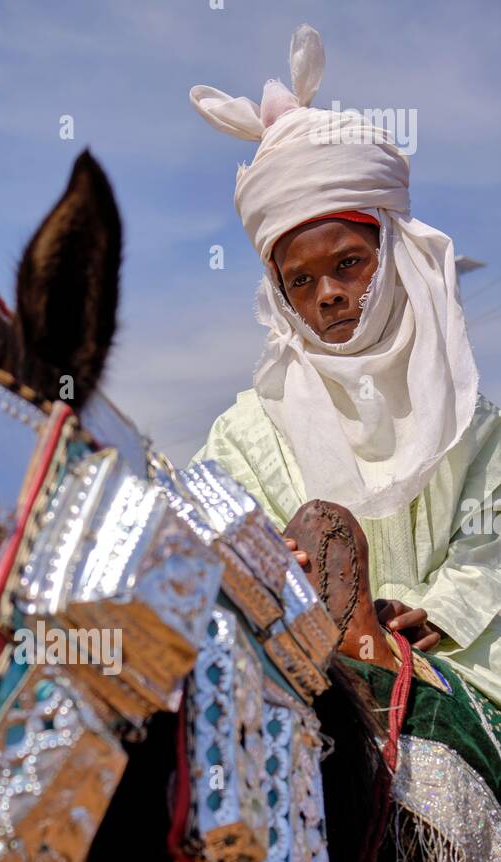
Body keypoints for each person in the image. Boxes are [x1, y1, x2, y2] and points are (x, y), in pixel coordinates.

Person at [189, 25, 501, 708]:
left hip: (464, 669)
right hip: (303, 690)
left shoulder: (473, 423)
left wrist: (441, 614)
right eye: (299, 282)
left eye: (348, 265)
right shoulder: (243, 436)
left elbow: (493, 541)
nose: (326, 293)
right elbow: (210, 545)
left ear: (391, 257)